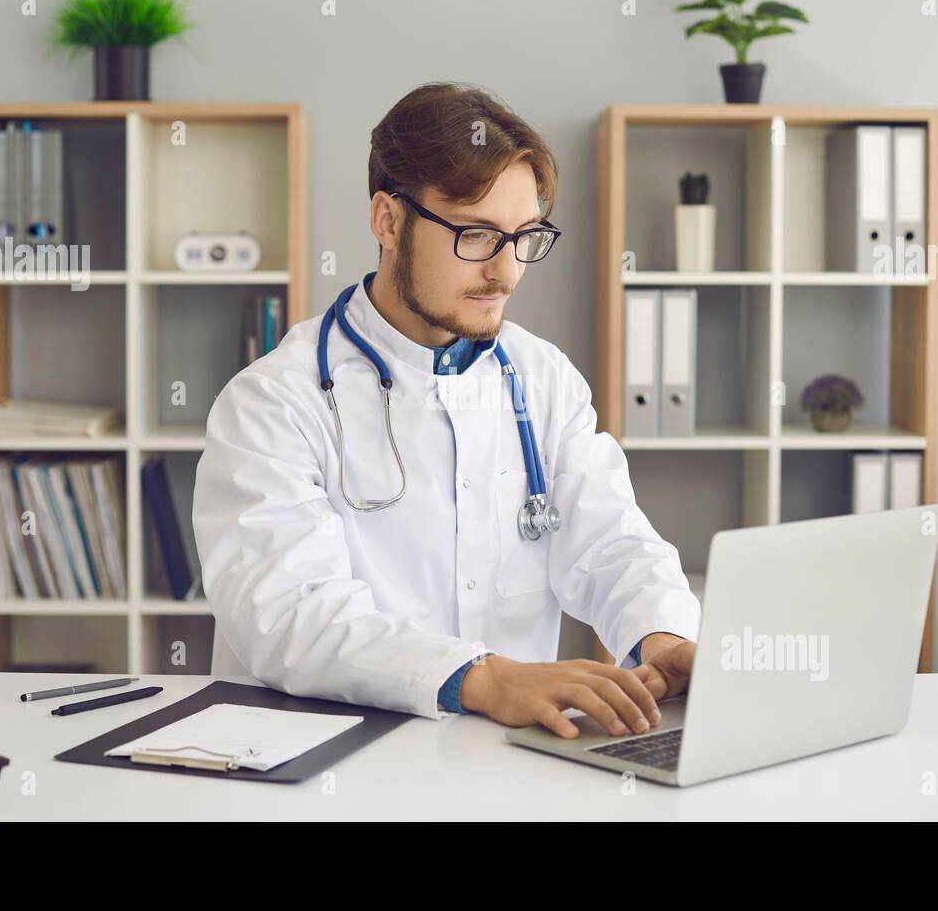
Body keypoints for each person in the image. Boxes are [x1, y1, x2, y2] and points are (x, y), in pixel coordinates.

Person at [192, 82, 698, 741]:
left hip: (506, 761)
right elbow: (287, 616)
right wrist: (483, 678)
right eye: (478, 235)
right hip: (325, 763)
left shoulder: (542, 379)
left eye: (525, 238)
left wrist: (662, 637)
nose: (506, 271)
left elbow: (611, 543)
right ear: (388, 220)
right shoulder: (273, 403)